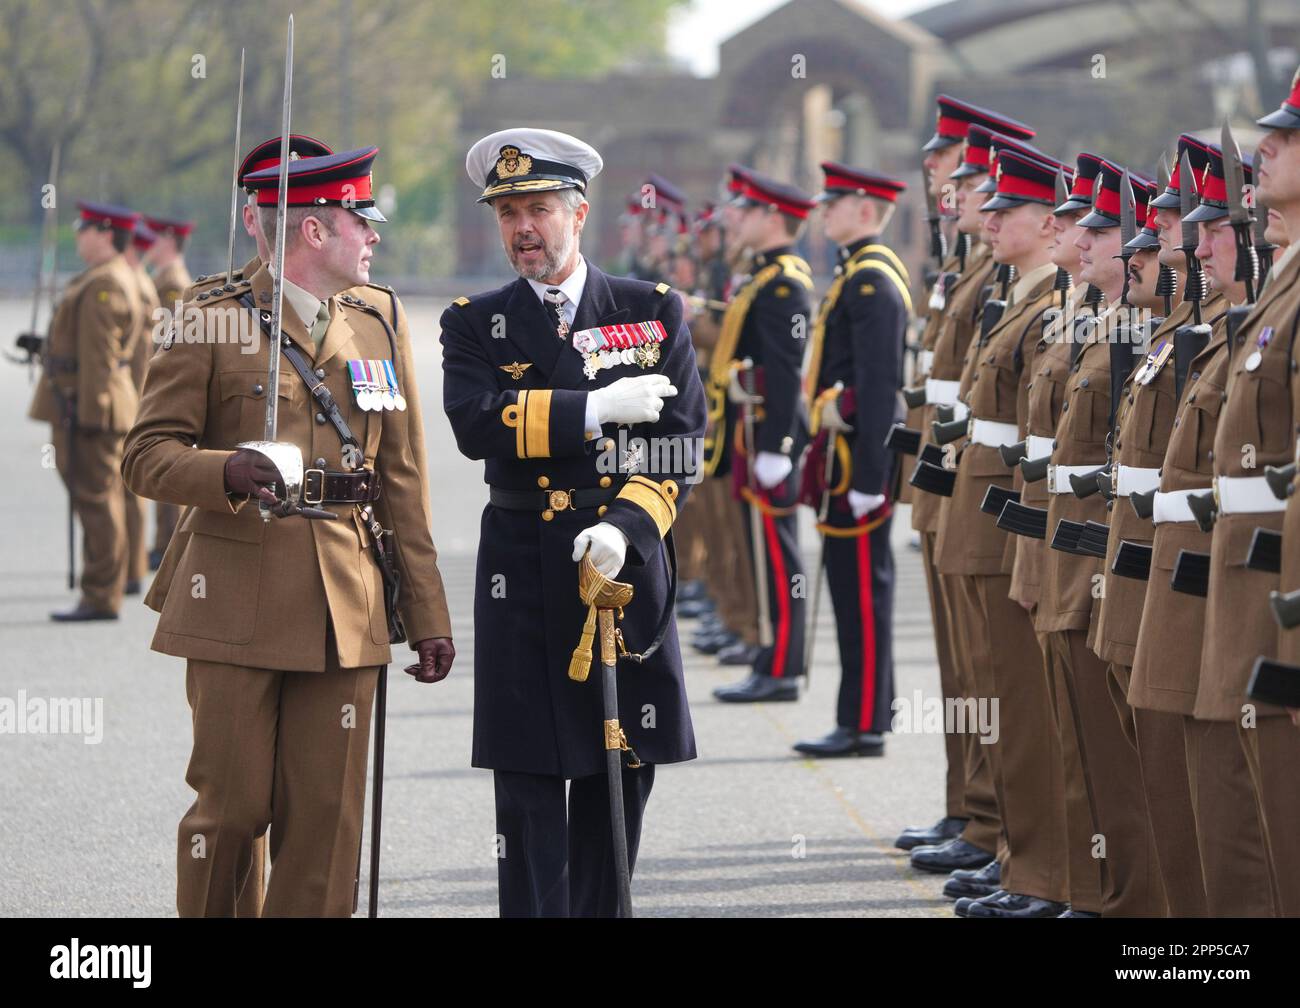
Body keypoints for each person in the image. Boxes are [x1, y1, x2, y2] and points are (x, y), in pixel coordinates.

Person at [123, 145, 454, 917]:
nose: (374, 238)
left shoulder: (381, 319)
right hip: (236, 595)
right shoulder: (207, 317)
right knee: (231, 813)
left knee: (326, 826)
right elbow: (145, 457)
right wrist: (227, 471)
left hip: (347, 606)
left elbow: (402, 479)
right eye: (359, 222)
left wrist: (428, 615)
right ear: (312, 230)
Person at [439, 127, 706, 917]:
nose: (524, 228)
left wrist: (626, 525)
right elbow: (476, 425)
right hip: (520, 567)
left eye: (540, 208)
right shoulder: (474, 322)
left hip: (619, 568)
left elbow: (681, 446)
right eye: (508, 212)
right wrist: (590, 408)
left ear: (579, 212)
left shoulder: (649, 311)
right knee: (526, 779)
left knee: (617, 772)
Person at [793, 160, 910, 756]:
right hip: (840, 459)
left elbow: (880, 382)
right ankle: (861, 715)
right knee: (849, 591)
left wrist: (870, 476)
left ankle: (864, 722)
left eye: (834, 203)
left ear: (865, 209)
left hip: (856, 467)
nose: (824, 210)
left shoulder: (871, 280)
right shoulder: (855, 273)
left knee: (863, 594)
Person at [709, 169, 815, 703]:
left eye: (746, 211)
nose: (736, 218)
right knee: (761, 552)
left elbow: (785, 370)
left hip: (766, 438)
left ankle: (780, 666)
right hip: (749, 432)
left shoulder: (784, 283)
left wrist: (777, 447)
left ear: (774, 218)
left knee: (777, 555)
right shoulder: (764, 276)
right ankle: (770, 657)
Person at [29, 201, 146, 621]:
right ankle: (102, 587)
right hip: (80, 401)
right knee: (96, 497)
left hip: (89, 407)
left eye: (84, 228)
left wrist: (92, 412)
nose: (78, 235)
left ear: (105, 233)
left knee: (96, 499)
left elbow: (99, 356)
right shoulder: (104, 277)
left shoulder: (107, 283)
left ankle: (100, 594)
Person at [142, 215, 195, 568]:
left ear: (168, 241)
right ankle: (163, 542)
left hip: (171, 382)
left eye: (154, 240)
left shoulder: (173, 282)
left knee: (167, 467)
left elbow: (174, 339)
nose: (148, 246)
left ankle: (169, 545)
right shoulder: (164, 278)